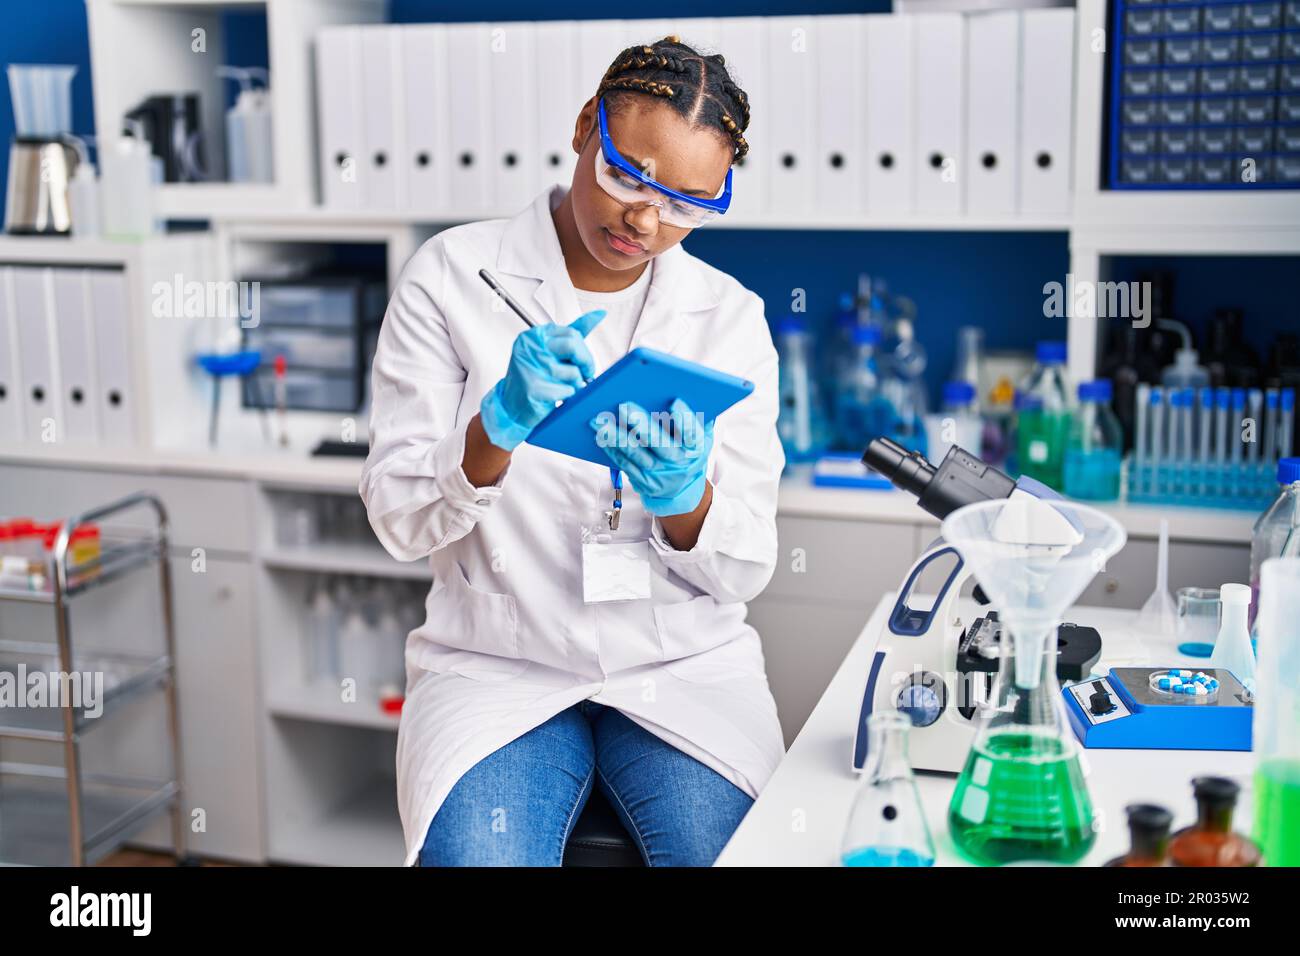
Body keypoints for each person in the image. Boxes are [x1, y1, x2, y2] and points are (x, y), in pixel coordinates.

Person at [361, 35, 785, 867]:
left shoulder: (730, 318)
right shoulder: (453, 276)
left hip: (682, 667)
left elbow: (747, 568)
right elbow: (400, 523)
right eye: (629, 175)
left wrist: (686, 501)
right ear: (587, 125)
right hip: (497, 666)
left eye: (687, 203)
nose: (646, 220)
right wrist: (495, 429)